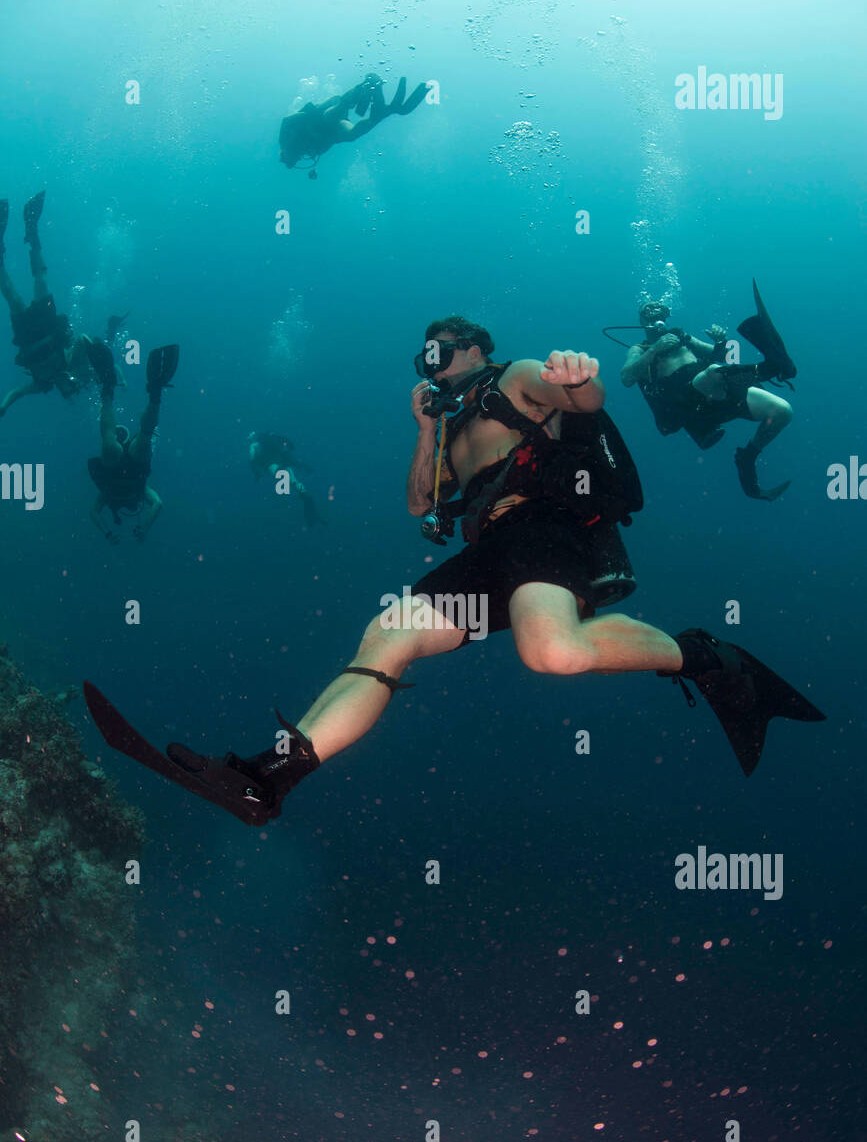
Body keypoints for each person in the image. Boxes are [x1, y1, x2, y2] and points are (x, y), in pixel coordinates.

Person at [84, 316, 825, 825]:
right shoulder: (448, 426)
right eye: (422, 358)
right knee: (387, 637)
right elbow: (420, 508)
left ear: (472, 349)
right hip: (486, 555)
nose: (429, 364)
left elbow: (583, 400)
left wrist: (578, 378)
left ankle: (708, 656)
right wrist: (425, 429)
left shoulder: (515, 378)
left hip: (547, 528)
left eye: (438, 352)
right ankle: (267, 778)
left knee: (554, 652)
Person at [617, 283, 796, 500]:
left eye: (660, 310)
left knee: (783, 411)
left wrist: (720, 342)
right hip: (686, 402)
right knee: (712, 372)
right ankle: (768, 368)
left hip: (718, 388)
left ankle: (747, 457)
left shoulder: (680, 335)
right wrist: (655, 349)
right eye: (648, 312)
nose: (655, 315)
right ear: (641, 321)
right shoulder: (640, 349)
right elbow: (627, 377)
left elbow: (719, 356)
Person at [0, 192, 93, 417]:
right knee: (41, 279)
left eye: (65, 390)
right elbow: (84, 341)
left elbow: (17, 392)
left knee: (11, 294)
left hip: (27, 335)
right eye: (71, 385)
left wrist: (3, 407)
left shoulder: (42, 384)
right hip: (47, 325)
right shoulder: (69, 362)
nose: (66, 384)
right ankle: (32, 229)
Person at [85, 337, 178, 544]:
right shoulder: (141, 493)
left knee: (125, 440)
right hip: (131, 467)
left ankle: (112, 388)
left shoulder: (109, 497)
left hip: (122, 466)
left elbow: (94, 512)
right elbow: (157, 504)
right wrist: (143, 528)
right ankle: (152, 392)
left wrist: (108, 534)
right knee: (136, 439)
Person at [279, 74, 429, 177]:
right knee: (351, 135)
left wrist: (308, 115)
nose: (295, 159)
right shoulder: (309, 153)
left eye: (288, 159)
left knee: (332, 115)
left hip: (319, 116)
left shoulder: (284, 141)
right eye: (294, 161)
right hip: (332, 131)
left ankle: (364, 86)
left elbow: (287, 120)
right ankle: (381, 113)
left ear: (283, 153)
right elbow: (330, 142)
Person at [248, 429, 323, 527]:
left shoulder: (254, 445)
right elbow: (290, 446)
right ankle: (307, 499)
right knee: (295, 482)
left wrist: (256, 473)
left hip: (271, 462)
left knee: (279, 471)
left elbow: (252, 460)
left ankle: (307, 504)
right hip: (283, 458)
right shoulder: (274, 439)